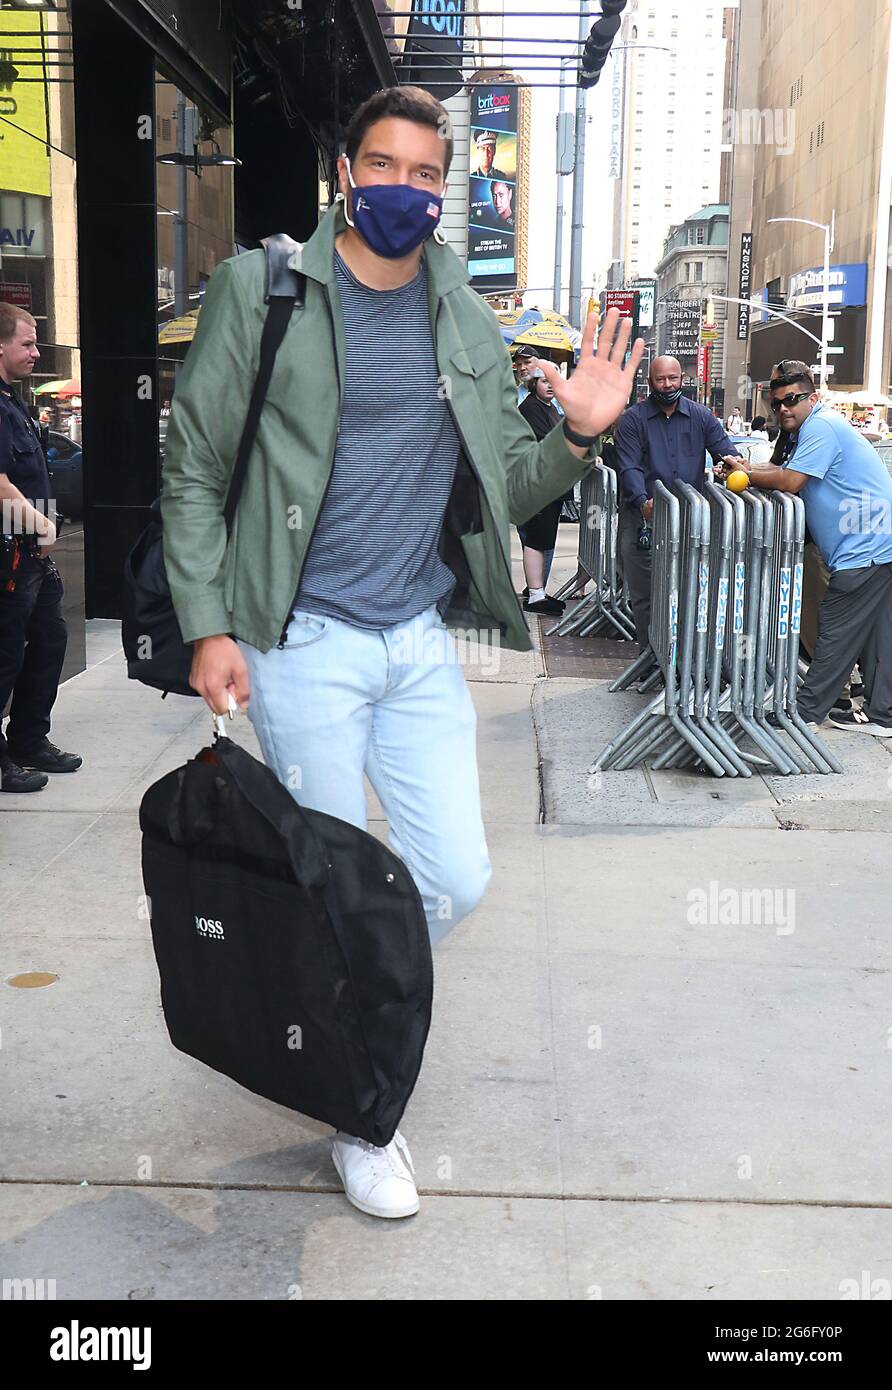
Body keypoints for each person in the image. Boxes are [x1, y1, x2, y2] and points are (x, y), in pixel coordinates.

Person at [161, 84, 644, 1220]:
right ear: (345, 174)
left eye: (427, 175)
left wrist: (576, 431)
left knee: (453, 880)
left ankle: (319, 976)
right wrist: (207, 623)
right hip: (304, 637)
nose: (404, 190)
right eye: (384, 166)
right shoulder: (263, 288)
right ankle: (362, 1113)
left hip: (417, 637)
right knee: (338, 884)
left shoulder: (464, 318)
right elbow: (192, 464)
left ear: (448, 192)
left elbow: (499, 491)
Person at [719, 361, 892, 735]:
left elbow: (792, 480)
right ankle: (884, 715)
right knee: (880, 634)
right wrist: (748, 468)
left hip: (866, 546)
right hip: (875, 544)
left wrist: (747, 472)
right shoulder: (814, 428)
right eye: (777, 402)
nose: (783, 408)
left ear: (812, 397)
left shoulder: (822, 427)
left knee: (834, 631)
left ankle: (806, 714)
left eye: (792, 399)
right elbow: (783, 470)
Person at [0, 303, 81, 793]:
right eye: (26, 343)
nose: (35, 352)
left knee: (49, 642)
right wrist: (43, 527)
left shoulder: (15, 403)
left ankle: (29, 739)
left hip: (31, 555)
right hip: (11, 554)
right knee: (6, 657)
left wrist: (42, 534)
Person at [614, 355, 741, 648]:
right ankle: (650, 659)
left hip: (688, 520)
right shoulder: (633, 419)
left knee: (686, 592)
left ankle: (681, 660)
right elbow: (629, 466)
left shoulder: (701, 416)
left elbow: (724, 448)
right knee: (646, 594)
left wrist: (730, 463)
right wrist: (643, 501)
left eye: (673, 378)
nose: (667, 384)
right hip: (643, 518)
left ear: (683, 380)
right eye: (661, 379)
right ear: (650, 382)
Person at [517, 370, 567, 615]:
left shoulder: (549, 407)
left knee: (543, 539)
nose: (550, 386)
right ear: (534, 383)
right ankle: (535, 594)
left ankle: (537, 591)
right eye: (545, 381)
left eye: (553, 382)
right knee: (536, 540)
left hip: (549, 485)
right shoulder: (531, 408)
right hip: (536, 485)